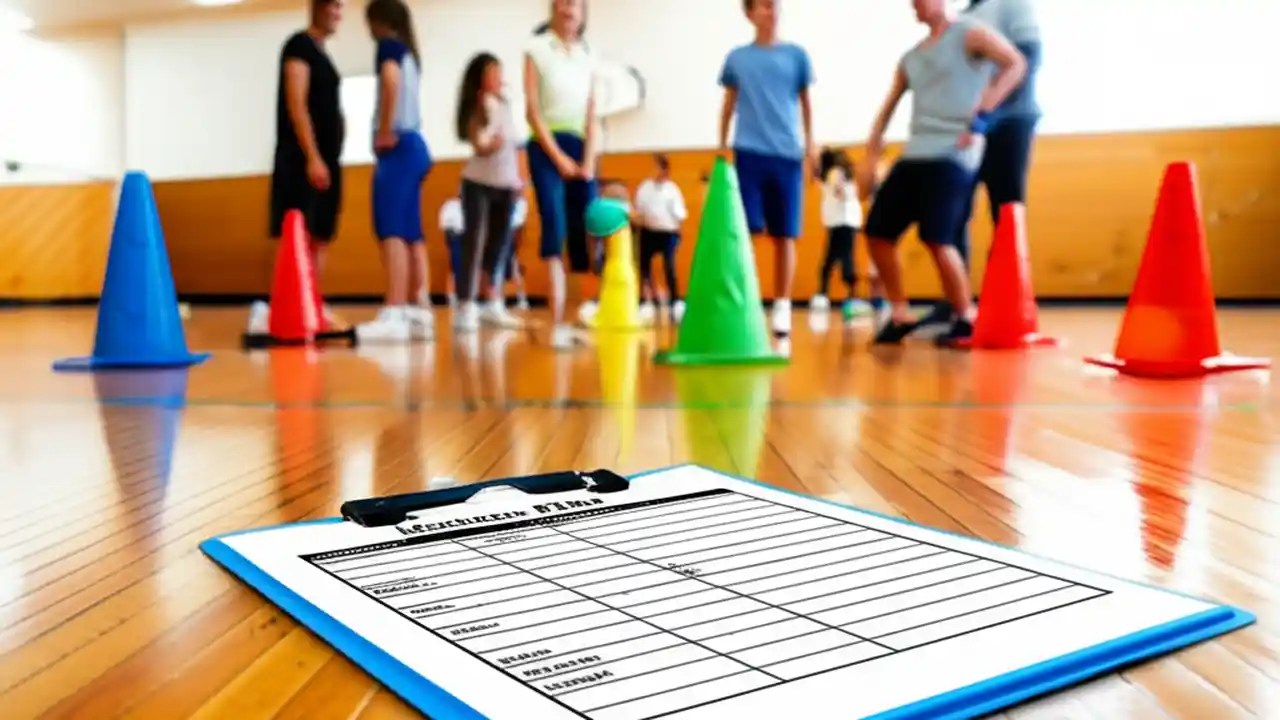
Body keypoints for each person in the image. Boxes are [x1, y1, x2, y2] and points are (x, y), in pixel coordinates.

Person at [861, 0, 1026, 346]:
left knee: (938, 237)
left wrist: (982, 116)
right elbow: (885, 111)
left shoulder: (970, 34)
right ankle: (901, 312)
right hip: (916, 154)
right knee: (878, 232)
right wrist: (870, 155)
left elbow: (1015, 64)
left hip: (954, 153)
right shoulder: (911, 58)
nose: (915, 5)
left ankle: (966, 315)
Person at [719, 0, 816, 345]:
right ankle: (744, 298)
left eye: (775, 5)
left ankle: (782, 305)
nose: (771, 11)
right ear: (750, 13)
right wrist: (721, 142)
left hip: (788, 154)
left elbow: (805, 103)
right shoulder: (738, 59)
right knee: (748, 229)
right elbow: (729, 101)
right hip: (749, 151)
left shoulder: (797, 56)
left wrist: (811, 146)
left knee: (785, 234)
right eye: (763, 6)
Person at [250, 0, 346, 336]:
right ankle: (277, 307)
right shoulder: (298, 46)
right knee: (297, 234)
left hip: (328, 159)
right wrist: (313, 156)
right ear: (317, 7)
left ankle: (311, 304)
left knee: (320, 235)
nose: (338, 12)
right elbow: (296, 101)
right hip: (303, 160)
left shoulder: (322, 53)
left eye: (341, 7)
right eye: (333, 6)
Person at [357, 0, 434, 343]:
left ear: (379, 21)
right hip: (416, 144)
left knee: (391, 230)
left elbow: (389, 83)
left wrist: (383, 129)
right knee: (411, 232)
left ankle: (395, 308)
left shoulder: (387, 46)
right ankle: (419, 309)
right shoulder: (410, 53)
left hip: (399, 144)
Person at [525, 0, 597, 349]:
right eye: (563, 3)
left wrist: (589, 160)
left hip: (580, 144)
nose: (569, 9)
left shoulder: (588, 54)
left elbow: (593, 110)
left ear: (583, 13)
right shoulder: (536, 49)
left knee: (587, 227)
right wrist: (558, 158)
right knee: (554, 226)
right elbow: (533, 110)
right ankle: (556, 325)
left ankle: (580, 314)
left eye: (575, 4)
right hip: (546, 145)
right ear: (553, 8)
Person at [456, 52, 524, 331]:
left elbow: (516, 145)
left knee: (498, 247)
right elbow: (478, 142)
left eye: (499, 73)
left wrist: (519, 182)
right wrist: (488, 145)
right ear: (480, 80)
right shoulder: (477, 107)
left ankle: (491, 301)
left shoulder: (505, 105)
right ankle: (466, 305)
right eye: (492, 73)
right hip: (478, 185)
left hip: (505, 186)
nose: (498, 79)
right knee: (475, 243)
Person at [813, 148, 884, 324]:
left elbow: (839, 191)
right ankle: (842, 293)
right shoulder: (845, 175)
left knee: (837, 258)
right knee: (839, 257)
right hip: (847, 221)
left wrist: (837, 189)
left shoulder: (835, 173)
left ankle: (837, 294)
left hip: (841, 221)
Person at [635, 154, 688, 323]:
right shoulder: (644, 187)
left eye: (658, 166)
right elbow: (638, 211)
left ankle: (675, 302)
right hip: (649, 232)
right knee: (644, 266)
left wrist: (678, 232)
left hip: (668, 233)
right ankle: (646, 301)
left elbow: (680, 215)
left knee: (669, 267)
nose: (654, 170)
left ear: (665, 170)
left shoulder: (672, 189)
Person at [438, 194, 464, 308]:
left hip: (467, 238)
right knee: (454, 266)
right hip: (455, 236)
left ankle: (465, 296)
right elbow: (444, 223)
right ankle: (451, 296)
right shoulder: (451, 205)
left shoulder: (470, 206)